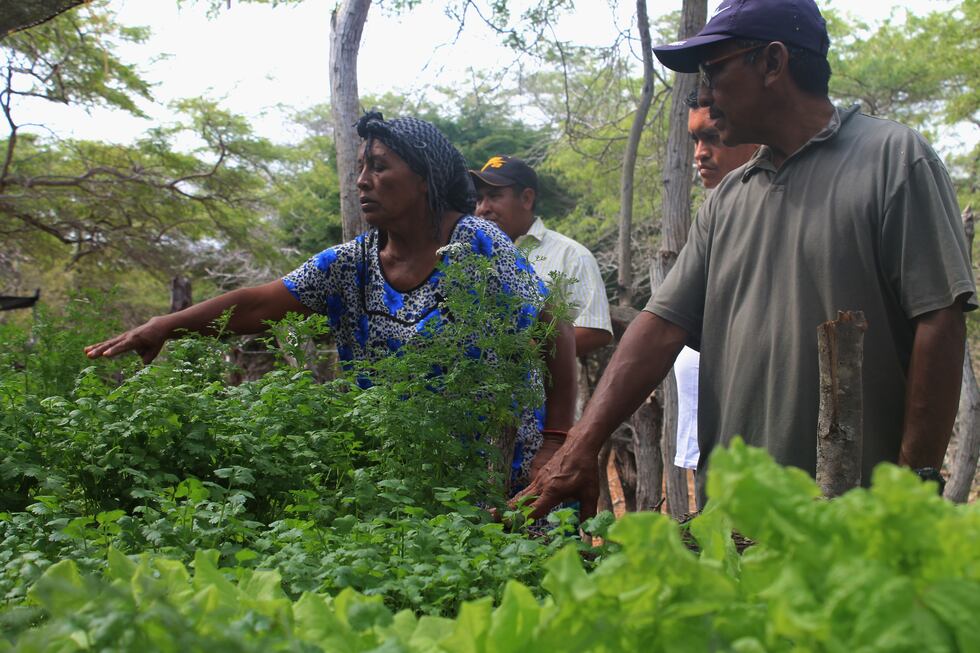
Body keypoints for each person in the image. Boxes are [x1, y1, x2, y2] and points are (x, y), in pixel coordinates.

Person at [517, 0, 975, 517]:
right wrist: (580, 444)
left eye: (714, 71)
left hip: (854, 518)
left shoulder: (894, 160)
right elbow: (660, 326)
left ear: (773, 62)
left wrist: (911, 488)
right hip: (734, 517)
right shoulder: (729, 198)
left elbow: (939, 322)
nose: (706, 93)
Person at [85, 112, 577, 490]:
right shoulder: (351, 264)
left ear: (425, 178)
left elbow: (552, 328)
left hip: (504, 472)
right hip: (399, 477)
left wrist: (554, 442)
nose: (362, 180)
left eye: (379, 167)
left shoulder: (478, 246)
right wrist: (166, 325)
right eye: (360, 168)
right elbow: (258, 305)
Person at [674, 90, 759, 472]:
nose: (700, 153)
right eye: (695, 140)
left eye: (712, 136)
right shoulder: (714, 212)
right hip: (712, 422)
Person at [470, 156, 613, 357]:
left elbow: (595, 331)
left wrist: (524, 353)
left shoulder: (571, 255)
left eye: (494, 196)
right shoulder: (465, 254)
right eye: (478, 199)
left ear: (526, 199)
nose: (483, 208)